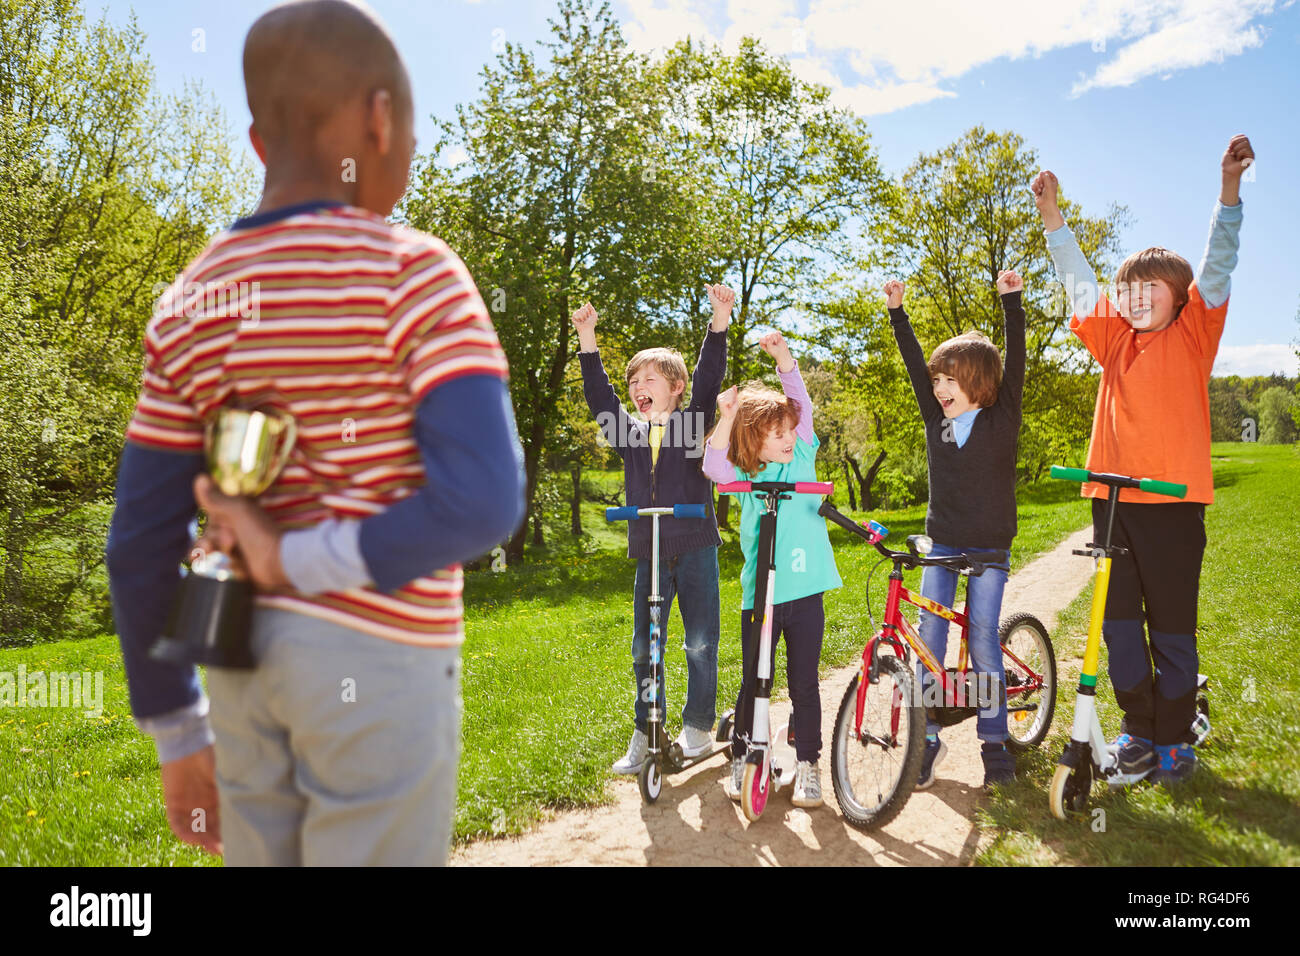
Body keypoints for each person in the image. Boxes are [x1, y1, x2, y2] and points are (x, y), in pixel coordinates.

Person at [105, 0, 525, 866]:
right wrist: (300, 561)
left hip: (237, 661)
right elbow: (484, 500)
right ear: (379, 119)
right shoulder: (415, 273)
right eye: (409, 125)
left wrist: (176, 732)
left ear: (258, 142)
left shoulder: (188, 301)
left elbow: (139, 540)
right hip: (377, 659)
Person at [1032, 133, 1254, 785]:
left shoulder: (1194, 335)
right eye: (1126, 289)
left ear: (1180, 298)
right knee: (1120, 626)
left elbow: (1219, 263)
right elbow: (1077, 283)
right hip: (1112, 503)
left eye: (1147, 289)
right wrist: (1053, 215)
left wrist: (1229, 190)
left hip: (1175, 508)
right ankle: (1137, 727)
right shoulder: (1114, 341)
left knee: (1172, 629)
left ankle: (1176, 737)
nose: (1132, 298)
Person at [571, 286, 732, 772]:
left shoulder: (691, 423)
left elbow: (708, 381)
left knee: (700, 641)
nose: (640, 385)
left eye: (651, 378)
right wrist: (587, 337)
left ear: (675, 387)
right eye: (635, 380)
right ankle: (646, 730)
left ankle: (699, 726)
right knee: (646, 647)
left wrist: (718, 321)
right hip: (651, 546)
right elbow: (600, 395)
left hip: (696, 544)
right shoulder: (627, 433)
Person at [885, 271, 1026, 790]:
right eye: (937, 379)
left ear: (980, 383)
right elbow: (913, 367)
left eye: (950, 378)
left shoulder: (1001, 417)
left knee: (984, 640)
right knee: (929, 641)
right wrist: (899, 315)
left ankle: (995, 745)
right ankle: (926, 740)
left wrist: (1012, 304)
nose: (940, 387)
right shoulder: (937, 420)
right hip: (942, 543)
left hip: (989, 547)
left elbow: (1016, 362)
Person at [703, 331, 842, 808]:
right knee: (753, 679)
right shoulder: (745, 477)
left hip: (805, 593)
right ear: (752, 441)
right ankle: (744, 755)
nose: (786, 439)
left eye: (788, 431)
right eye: (774, 433)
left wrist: (784, 360)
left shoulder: (802, 457)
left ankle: (808, 763)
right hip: (758, 594)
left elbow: (798, 403)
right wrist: (725, 418)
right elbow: (714, 466)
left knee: (803, 682)